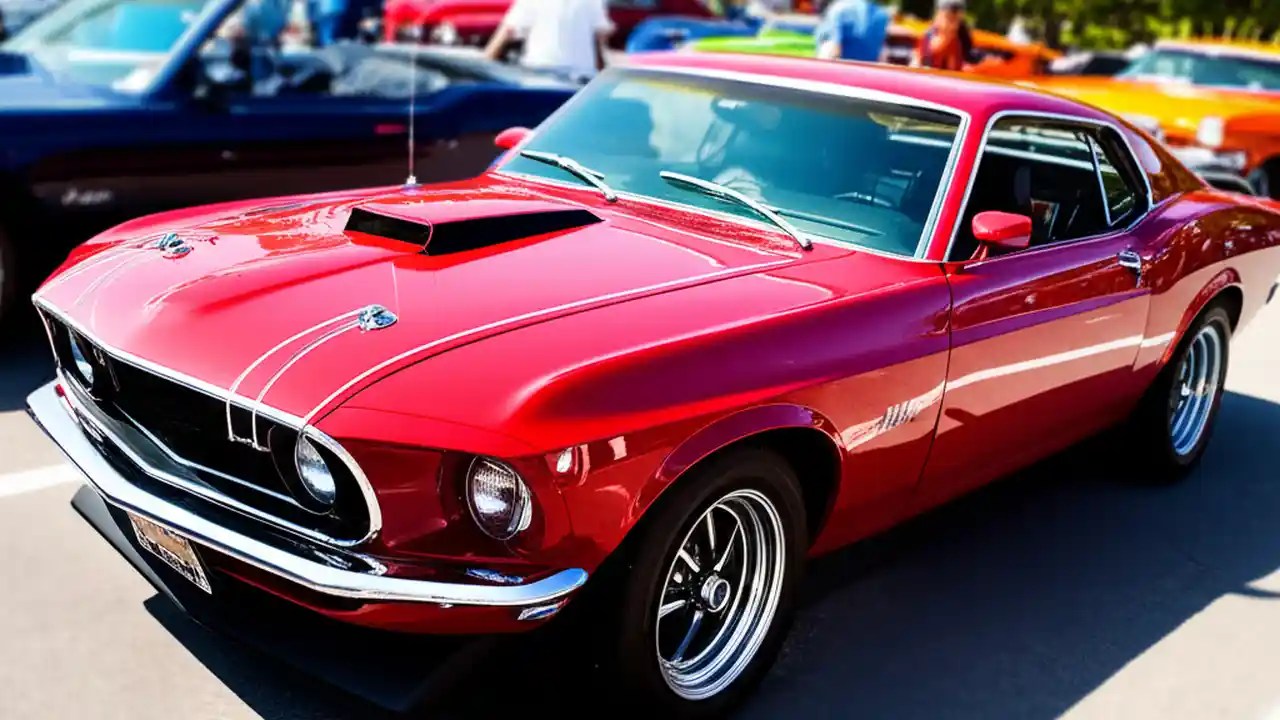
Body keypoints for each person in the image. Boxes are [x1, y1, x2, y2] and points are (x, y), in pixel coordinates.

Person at [484, 0, 613, 83]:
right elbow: (597, 40)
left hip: (540, 74)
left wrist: (483, 66)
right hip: (582, 78)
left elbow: (507, 32)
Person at [814, 0, 891, 63]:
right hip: (868, 76)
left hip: (842, 74)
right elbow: (882, 56)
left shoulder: (839, 10)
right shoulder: (881, 15)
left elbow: (829, 50)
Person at [914, 0, 976, 71]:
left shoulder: (956, 44)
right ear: (937, 18)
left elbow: (953, 73)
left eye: (956, 20)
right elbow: (915, 64)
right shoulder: (926, 39)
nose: (952, 26)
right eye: (948, 18)